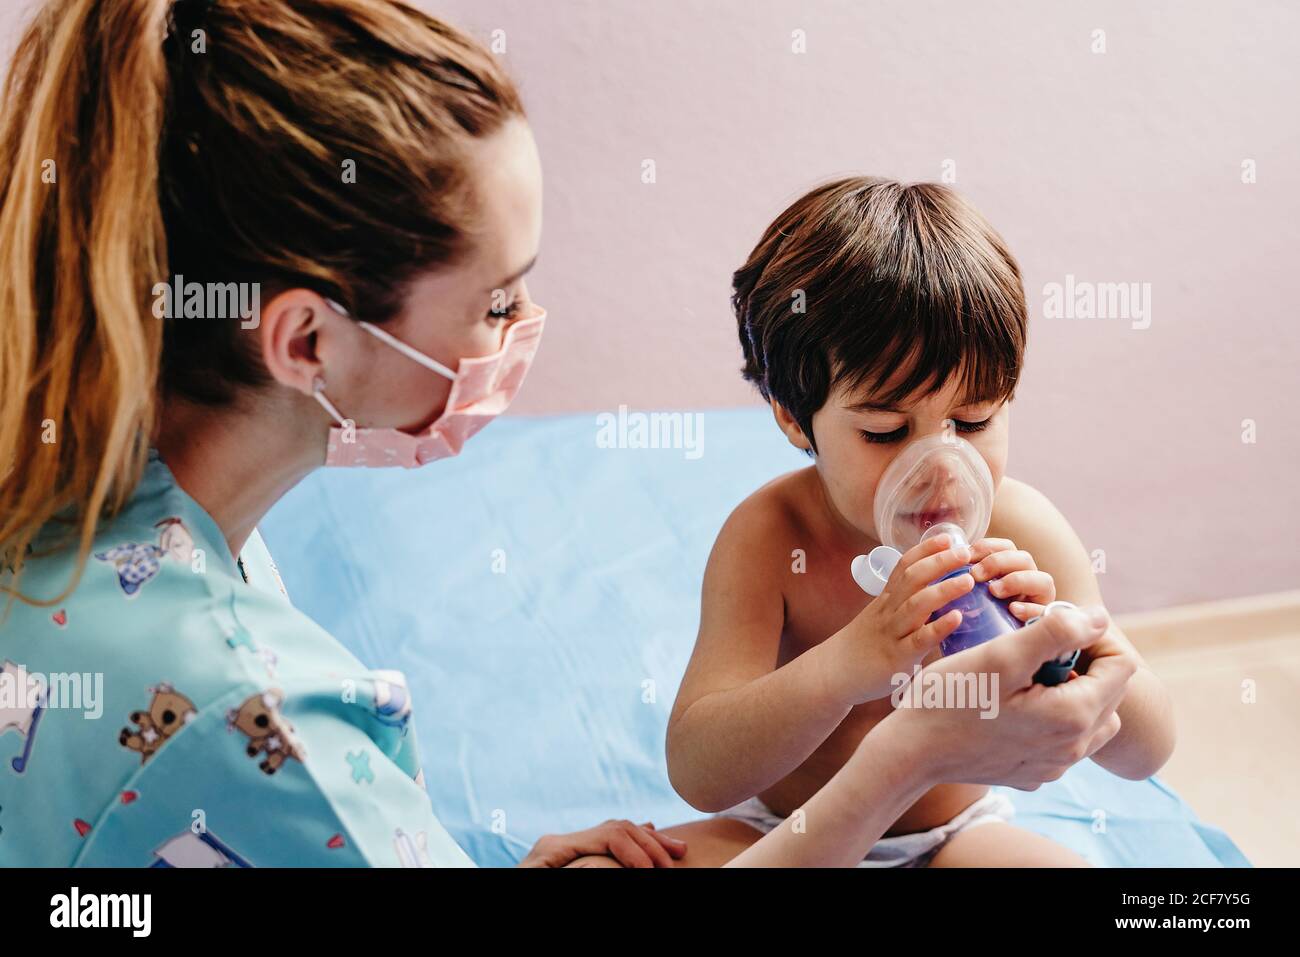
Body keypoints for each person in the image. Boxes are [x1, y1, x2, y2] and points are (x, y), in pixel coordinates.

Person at [0, 0, 1130, 868]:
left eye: (975, 417)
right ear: (307, 345)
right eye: (496, 300)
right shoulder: (248, 718)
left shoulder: (108, 514)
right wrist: (898, 754)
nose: (523, 330)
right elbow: (704, 762)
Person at [662, 179, 1174, 867]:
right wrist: (848, 664)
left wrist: (1071, 645)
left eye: (973, 421)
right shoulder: (769, 538)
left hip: (954, 840)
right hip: (785, 838)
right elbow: (700, 770)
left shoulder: (1020, 525)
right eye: (885, 430)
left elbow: (1149, 749)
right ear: (793, 416)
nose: (940, 466)